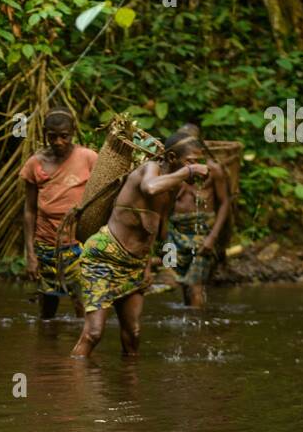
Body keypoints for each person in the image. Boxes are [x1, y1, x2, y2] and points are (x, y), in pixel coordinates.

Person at [70, 132, 210, 358]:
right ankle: (70, 386)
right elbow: (150, 188)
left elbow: (159, 232)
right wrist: (189, 171)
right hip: (104, 257)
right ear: (172, 157)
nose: (197, 166)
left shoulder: (174, 188)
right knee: (94, 333)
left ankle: (129, 391)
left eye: (198, 162)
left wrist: (148, 265)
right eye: (191, 161)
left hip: (134, 265)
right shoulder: (150, 169)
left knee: (133, 334)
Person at [20, 107, 98, 319]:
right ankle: (46, 349)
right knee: (47, 309)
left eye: (64, 136)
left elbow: (105, 195)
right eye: (52, 136)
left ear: (73, 132)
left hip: (79, 244)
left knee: (83, 304)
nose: (58, 142)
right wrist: (30, 254)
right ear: (45, 133)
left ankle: (82, 350)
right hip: (46, 245)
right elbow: (29, 210)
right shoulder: (35, 163)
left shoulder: (88, 158)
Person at [165, 127, 229, 308]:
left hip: (202, 231)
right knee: (180, 282)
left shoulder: (213, 170)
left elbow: (224, 203)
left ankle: (198, 332)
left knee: (195, 285)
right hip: (175, 231)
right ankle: (190, 324)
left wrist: (212, 238)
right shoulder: (173, 170)